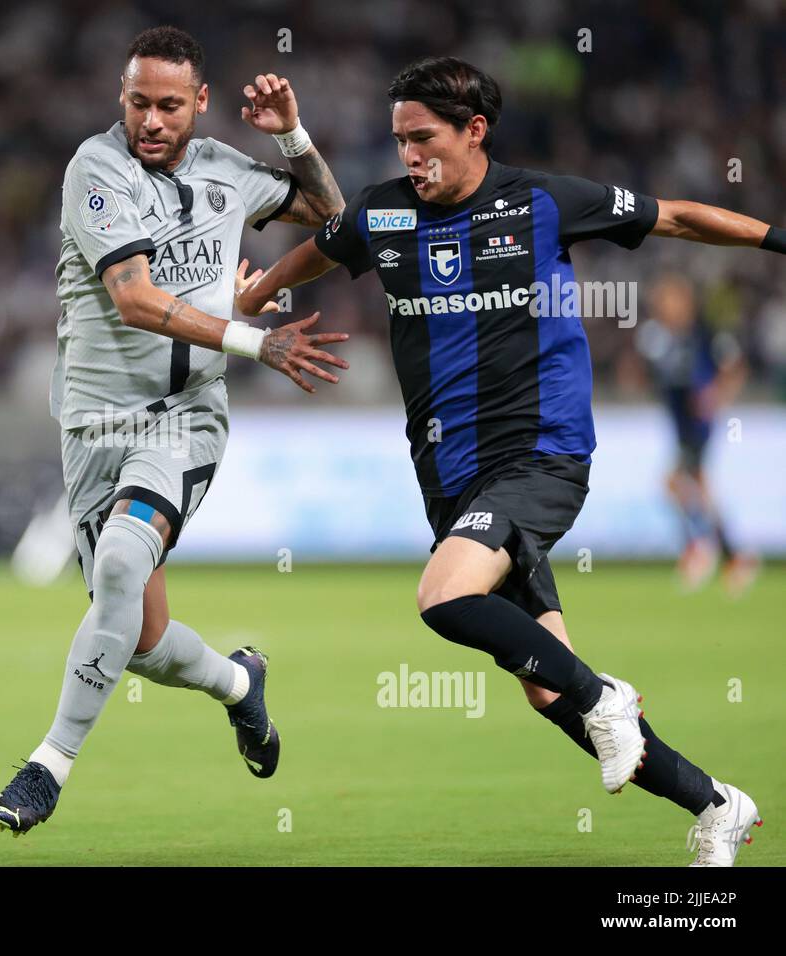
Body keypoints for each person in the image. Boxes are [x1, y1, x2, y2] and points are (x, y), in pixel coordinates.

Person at [237, 56, 782, 866]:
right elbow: (323, 246)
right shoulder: (383, 215)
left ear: (474, 131)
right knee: (543, 684)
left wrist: (778, 239)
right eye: (400, 142)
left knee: (443, 596)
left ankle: (609, 699)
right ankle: (717, 805)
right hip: (450, 476)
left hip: (541, 455)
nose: (410, 156)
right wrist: (258, 295)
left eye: (424, 139)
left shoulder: (544, 201)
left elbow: (677, 218)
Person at [0, 26, 348, 835]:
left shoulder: (227, 171)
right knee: (139, 638)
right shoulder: (95, 169)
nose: (151, 119)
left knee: (119, 561)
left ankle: (48, 767)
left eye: (170, 105)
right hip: (93, 423)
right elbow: (136, 301)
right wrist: (256, 337)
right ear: (123, 97)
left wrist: (290, 133)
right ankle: (238, 685)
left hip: (183, 420)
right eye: (139, 101)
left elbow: (332, 214)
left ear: (200, 104)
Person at [636, 273, 758, 593]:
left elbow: (734, 368)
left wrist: (716, 396)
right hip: (679, 423)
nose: (665, 307)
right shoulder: (658, 337)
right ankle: (731, 554)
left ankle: (702, 547)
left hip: (697, 424)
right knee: (694, 486)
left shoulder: (705, 333)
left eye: (670, 301)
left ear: (685, 303)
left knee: (677, 483)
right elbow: (651, 375)